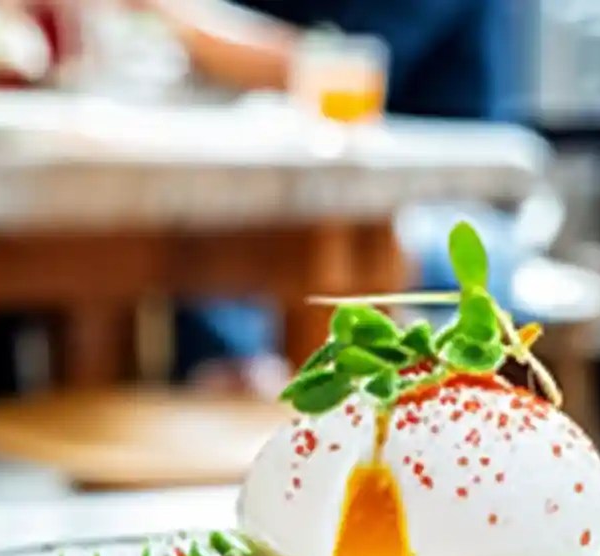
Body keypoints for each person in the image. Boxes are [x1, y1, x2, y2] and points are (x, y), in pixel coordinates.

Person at [142, 0, 518, 390]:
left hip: (455, 210)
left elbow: (342, 65)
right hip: (303, 204)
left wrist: (181, 17)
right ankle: (243, 399)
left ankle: (267, 395)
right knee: (207, 248)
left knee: (336, 257)